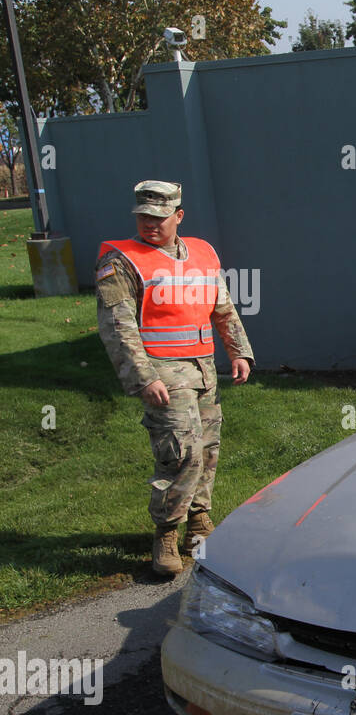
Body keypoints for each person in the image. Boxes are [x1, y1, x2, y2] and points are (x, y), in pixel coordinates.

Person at [96, 180, 255, 576]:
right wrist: (144, 377)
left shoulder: (203, 253)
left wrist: (239, 350)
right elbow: (118, 327)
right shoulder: (122, 260)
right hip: (162, 373)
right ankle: (166, 532)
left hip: (203, 368)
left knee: (208, 447)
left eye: (159, 217)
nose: (150, 224)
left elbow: (223, 307)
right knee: (181, 452)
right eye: (143, 217)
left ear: (178, 216)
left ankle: (198, 522)